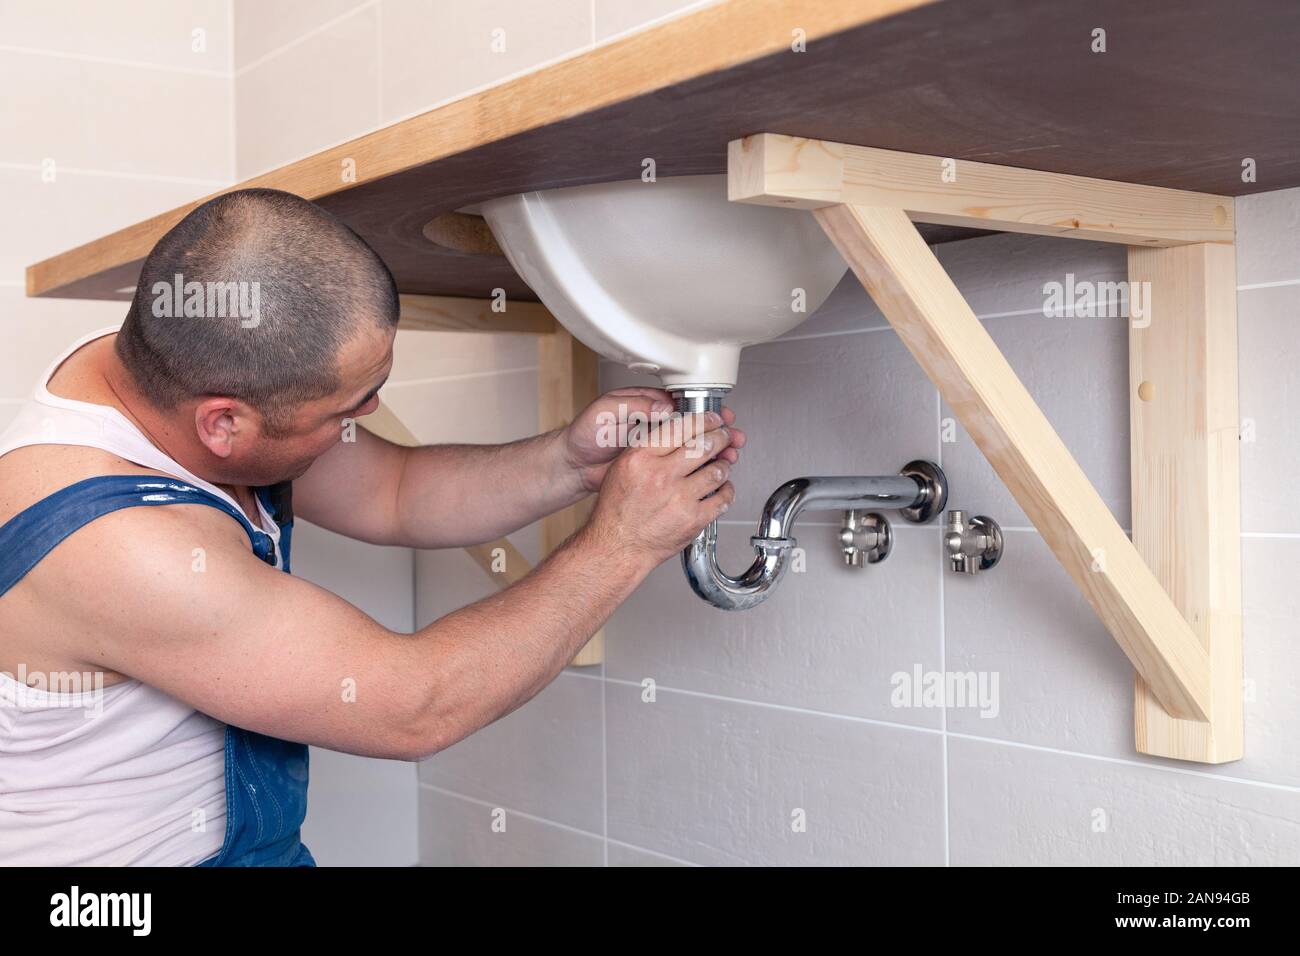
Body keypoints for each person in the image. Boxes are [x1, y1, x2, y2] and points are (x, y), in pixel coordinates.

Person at [0, 188, 742, 866]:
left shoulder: (181, 365)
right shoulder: (120, 545)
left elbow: (395, 491)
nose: (364, 420)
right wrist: (624, 542)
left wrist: (568, 462)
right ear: (224, 423)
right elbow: (415, 705)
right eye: (350, 409)